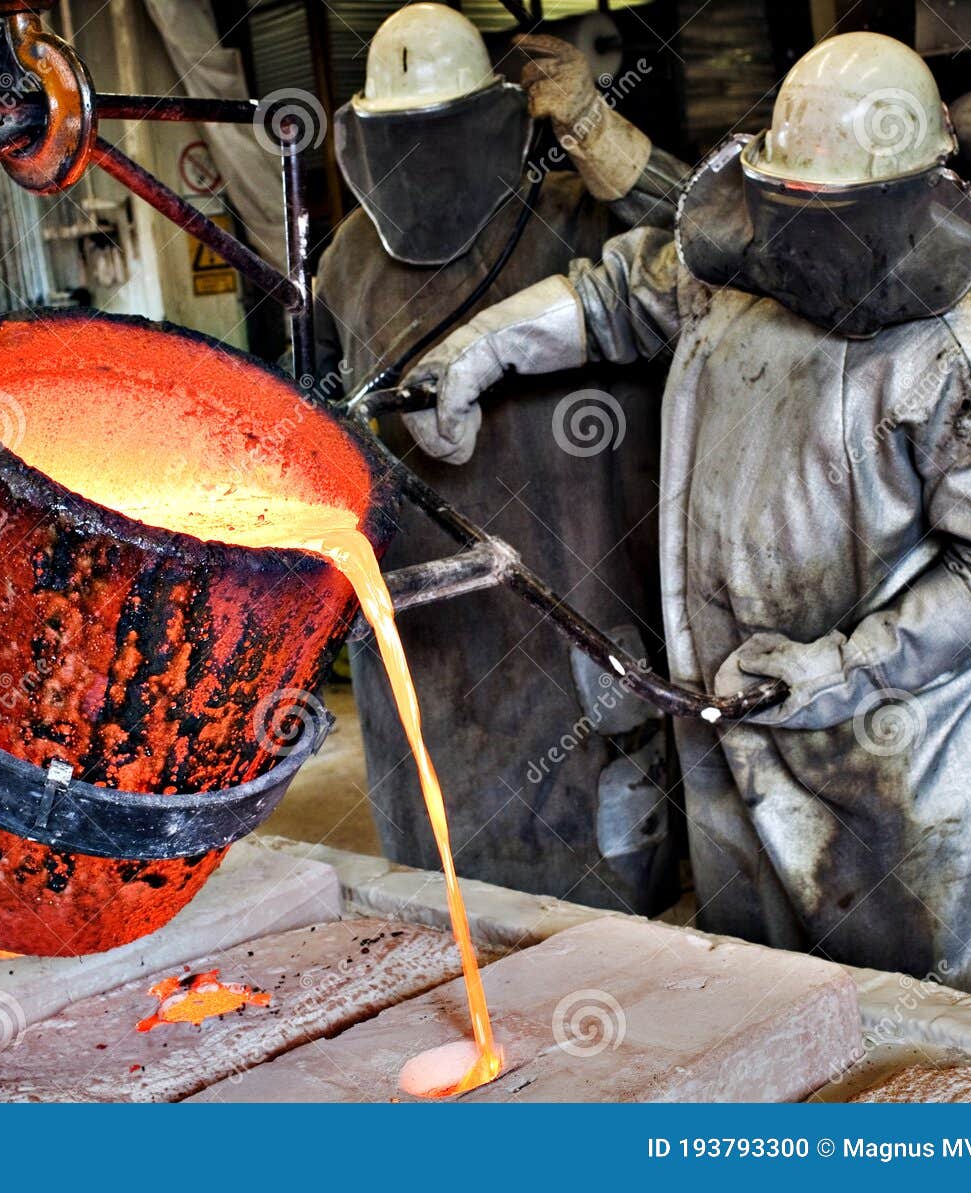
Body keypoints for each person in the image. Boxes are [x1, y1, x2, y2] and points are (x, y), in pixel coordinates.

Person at [399, 31, 971, 1011]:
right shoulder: (739, 262)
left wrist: (844, 669)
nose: (800, 238)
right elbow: (614, 297)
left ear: (907, 195)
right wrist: (481, 348)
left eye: (829, 212)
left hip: (899, 780)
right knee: (768, 1018)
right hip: (729, 732)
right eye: (788, 202)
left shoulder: (967, 359)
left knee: (945, 1045)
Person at [315, 4, 688, 913]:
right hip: (426, 636)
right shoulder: (345, 264)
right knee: (445, 907)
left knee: (610, 925)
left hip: (581, 623)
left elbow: (730, 253)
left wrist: (604, 137)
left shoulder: (582, 221)